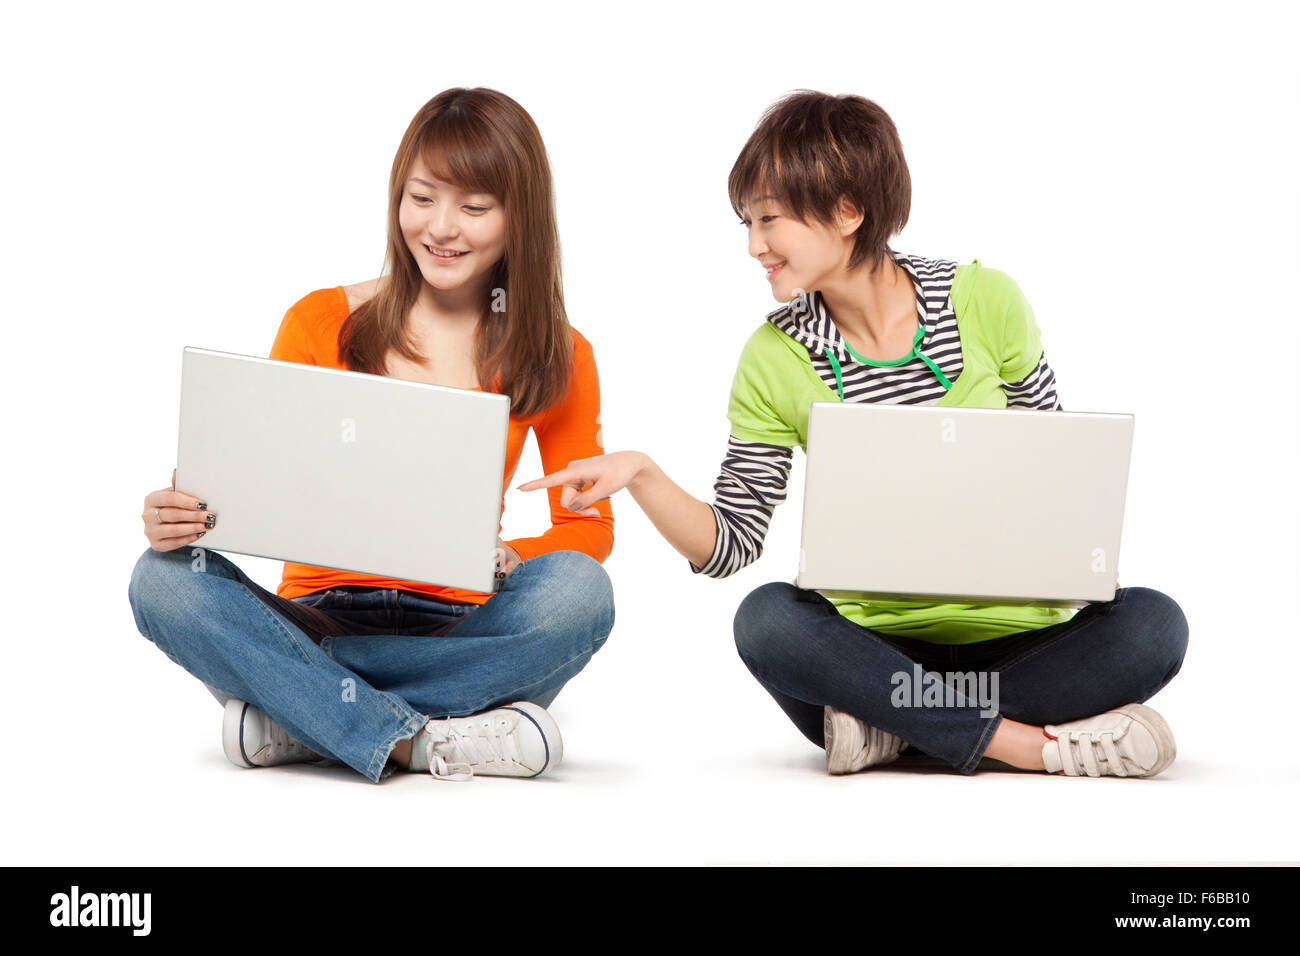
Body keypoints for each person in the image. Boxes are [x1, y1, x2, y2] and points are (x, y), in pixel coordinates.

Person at [521, 90, 1187, 779]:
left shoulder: (988, 303)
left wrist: (1063, 552)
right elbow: (731, 547)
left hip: (1019, 647)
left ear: (848, 210)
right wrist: (641, 474)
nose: (754, 246)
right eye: (747, 223)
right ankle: (1026, 743)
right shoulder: (774, 357)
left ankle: (892, 731)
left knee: (1155, 624)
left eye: (769, 220)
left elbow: (1054, 469)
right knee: (767, 618)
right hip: (870, 654)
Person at [129, 88, 615, 784]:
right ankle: (420, 740)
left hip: (462, 623)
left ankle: (301, 714)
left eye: (474, 208)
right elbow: (258, 485)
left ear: (520, 219)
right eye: (422, 198)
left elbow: (588, 526)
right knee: (163, 582)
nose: (441, 227)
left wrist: (510, 558)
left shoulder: (560, 354)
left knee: (580, 592)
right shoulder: (320, 321)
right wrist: (183, 515)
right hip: (316, 619)